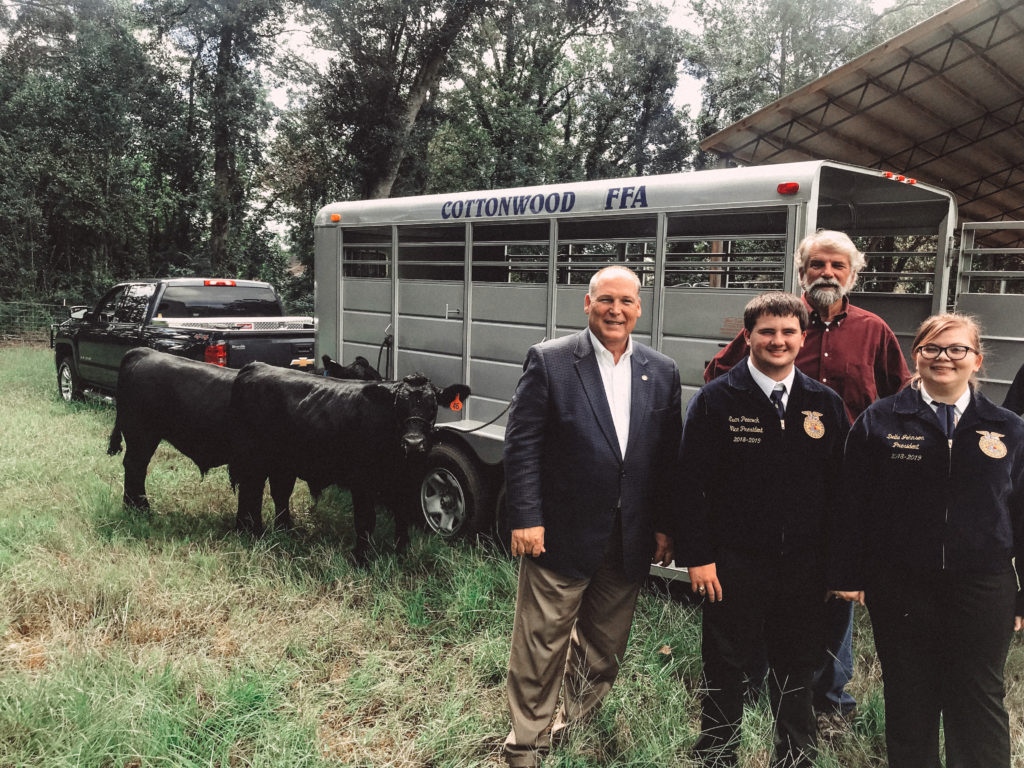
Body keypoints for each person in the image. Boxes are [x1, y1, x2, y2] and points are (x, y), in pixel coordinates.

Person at [704, 229, 910, 720]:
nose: (827, 273)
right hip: (766, 488)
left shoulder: (873, 330)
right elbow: (720, 376)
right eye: (817, 264)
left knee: (832, 588)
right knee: (758, 594)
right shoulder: (780, 322)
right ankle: (754, 692)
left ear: (853, 275)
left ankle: (830, 699)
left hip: (840, 488)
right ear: (802, 271)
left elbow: (899, 399)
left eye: (838, 266)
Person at [501, 265, 682, 767]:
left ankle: (571, 727)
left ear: (640, 309)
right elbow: (523, 445)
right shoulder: (552, 360)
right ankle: (526, 746)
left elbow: (668, 458)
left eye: (626, 301)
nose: (616, 310)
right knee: (542, 645)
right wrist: (526, 516)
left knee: (604, 647)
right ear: (587, 303)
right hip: (559, 532)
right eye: (606, 300)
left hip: (629, 538)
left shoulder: (661, 370)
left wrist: (665, 524)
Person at [830, 313, 1024, 767]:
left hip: (982, 585)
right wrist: (847, 572)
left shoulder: (1008, 428)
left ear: (977, 360)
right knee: (909, 694)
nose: (944, 358)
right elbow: (851, 503)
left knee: (978, 696)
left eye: (957, 349)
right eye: (931, 349)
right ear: (915, 357)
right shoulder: (881, 420)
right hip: (901, 583)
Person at [679, 292, 849, 767]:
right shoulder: (716, 400)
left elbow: (842, 494)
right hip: (732, 565)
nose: (778, 341)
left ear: (802, 337)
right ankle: (717, 754)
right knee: (726, 664)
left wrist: (839, 566)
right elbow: (691, 486)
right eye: (767, 331)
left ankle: (795, 757)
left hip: (804, 567)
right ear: (749, 336)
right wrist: (699, 557)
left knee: (798, 667)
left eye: (788, 332)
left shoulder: (824, 404)